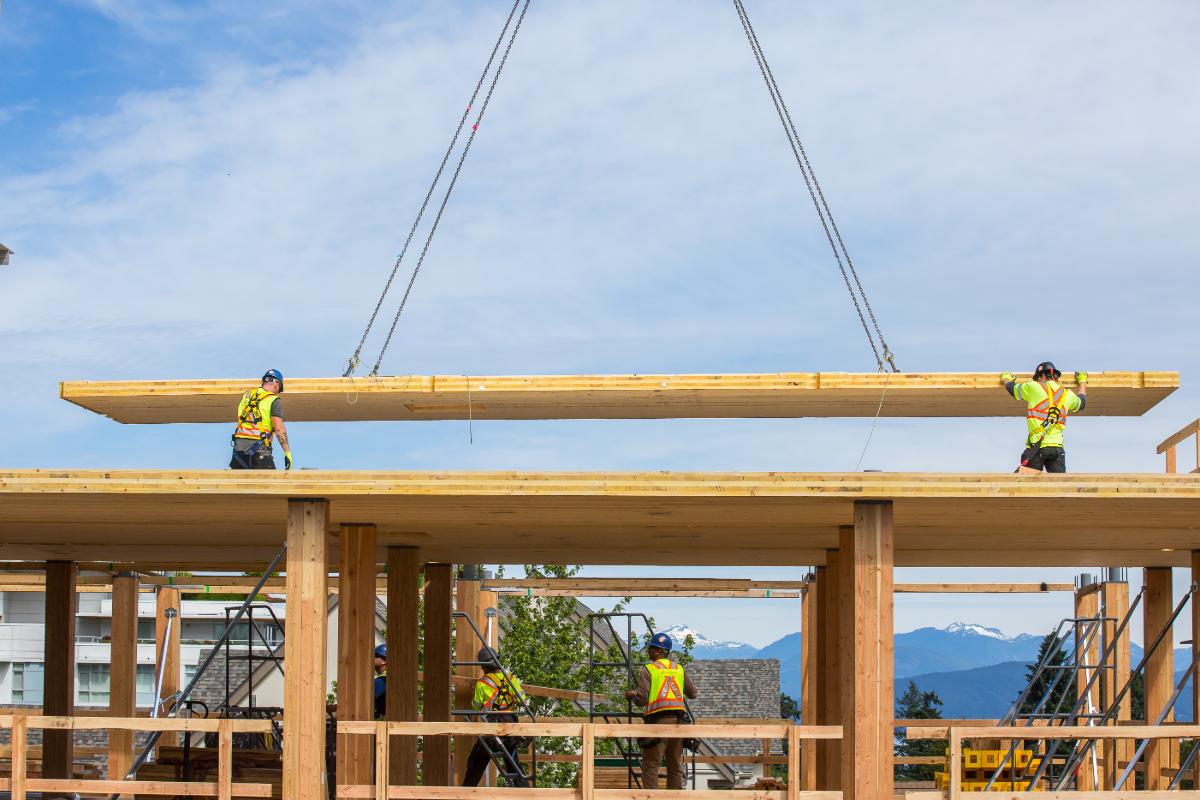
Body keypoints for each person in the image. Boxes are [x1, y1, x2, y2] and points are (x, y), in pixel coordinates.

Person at [624, 632, 698, 790]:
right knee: (675, 766)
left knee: (651, 766)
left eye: (651, 648)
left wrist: (632, 695)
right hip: (678, 724)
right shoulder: (678, 669)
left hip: (657, 723)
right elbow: (693, 694)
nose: (648, 651)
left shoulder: (648, 669)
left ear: (659, 651)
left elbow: (643, 700)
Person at [1001, 362, 1087, 474]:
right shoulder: (1067, 394)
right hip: (1057, 448)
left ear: (1042, 376)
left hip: (1036, 447)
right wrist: (1082, 382)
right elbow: (1082, 403)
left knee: (1027, 487)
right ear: (1055, 376)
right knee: (1059, 486)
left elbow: (1012, 389)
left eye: (1038, 378)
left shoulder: (1034, 387)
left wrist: (1006, 378)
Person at [462, 647, 530, 787]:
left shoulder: (483, 683)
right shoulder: (511, 678)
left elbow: (476, 706)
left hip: (492, 730)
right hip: (511, 729)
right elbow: (522, 697)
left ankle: (465, 793)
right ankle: (526, 793)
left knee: (475, 763)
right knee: (514, 765)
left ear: (483, 666)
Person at [230, 369, 292, 470]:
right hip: (259, 451)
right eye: (279, 389)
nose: (277, 392)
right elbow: (278, 428)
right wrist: (287, 453)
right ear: (276, 384)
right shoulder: (273, 399)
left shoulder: (246, 396)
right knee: (271, 484)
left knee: (242, 485)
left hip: (238, 452)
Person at [373, 644, 387, 720]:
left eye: (376, 655)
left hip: (380, 727)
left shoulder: (381, 681)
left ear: (384, 661)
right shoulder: (391, 679)